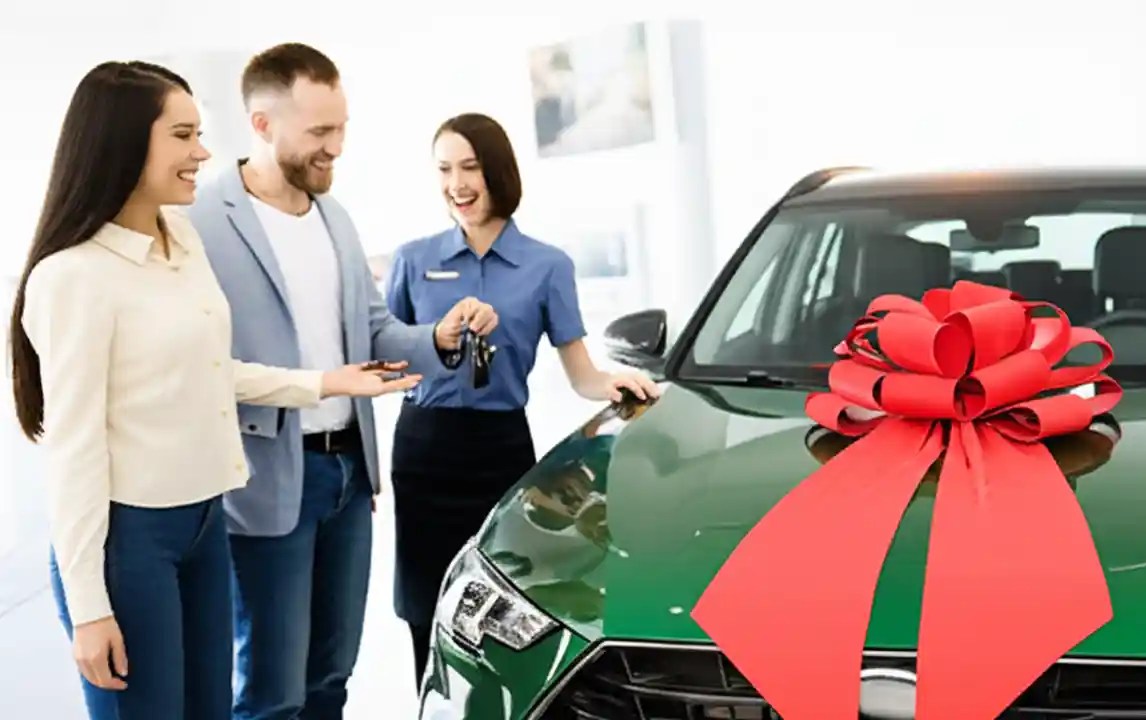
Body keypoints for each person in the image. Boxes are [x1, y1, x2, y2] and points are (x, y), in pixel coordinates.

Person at [10, 60, 422, 720]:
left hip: (206, 522)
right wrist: (89, 610)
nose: (203, 152)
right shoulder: (73, 278)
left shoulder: (180, 242)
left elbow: (214, 373)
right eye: (182, 135)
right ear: (122, 141)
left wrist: (325, 383)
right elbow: (74, 451)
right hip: (131, 540)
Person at [186, 43, 497, 719]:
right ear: (263, 126)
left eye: (342, 127)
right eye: (320, 132)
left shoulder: (336, 218)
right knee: (272, 691)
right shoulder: (200, 223)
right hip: (266, 481)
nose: (337, 147)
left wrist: (437, 339)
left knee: (332, 675)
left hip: (349, 479)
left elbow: (377, 332)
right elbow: (196, 366)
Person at [382, 112, 661, 687]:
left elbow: (580, 372)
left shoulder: (547, 265)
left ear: (498, 171)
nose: (456, 184)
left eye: (470, 167)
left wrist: (614, 385)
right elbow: (389, 363)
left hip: (500, 445)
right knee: (426, 602)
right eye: (444, 169)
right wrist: (442, 339)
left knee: (508, 601)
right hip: (425, 446)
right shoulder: (413, 259)